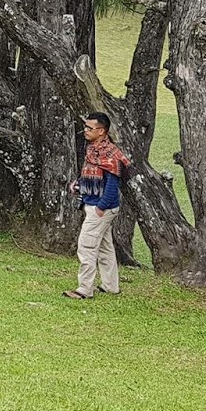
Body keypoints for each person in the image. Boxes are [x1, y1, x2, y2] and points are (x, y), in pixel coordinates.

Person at [65, 111, 130, 300]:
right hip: (94, 205)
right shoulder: (93, 150)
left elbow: (112, 185)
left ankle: (84, 289)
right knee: (104, 247)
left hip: (100, 209)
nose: (85, 130)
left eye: (89, 128)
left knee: (86, 246)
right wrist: (79, 185)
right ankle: (111, 286)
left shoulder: (110, 154)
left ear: (101, 131)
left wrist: (101, 207)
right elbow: (90, 174)